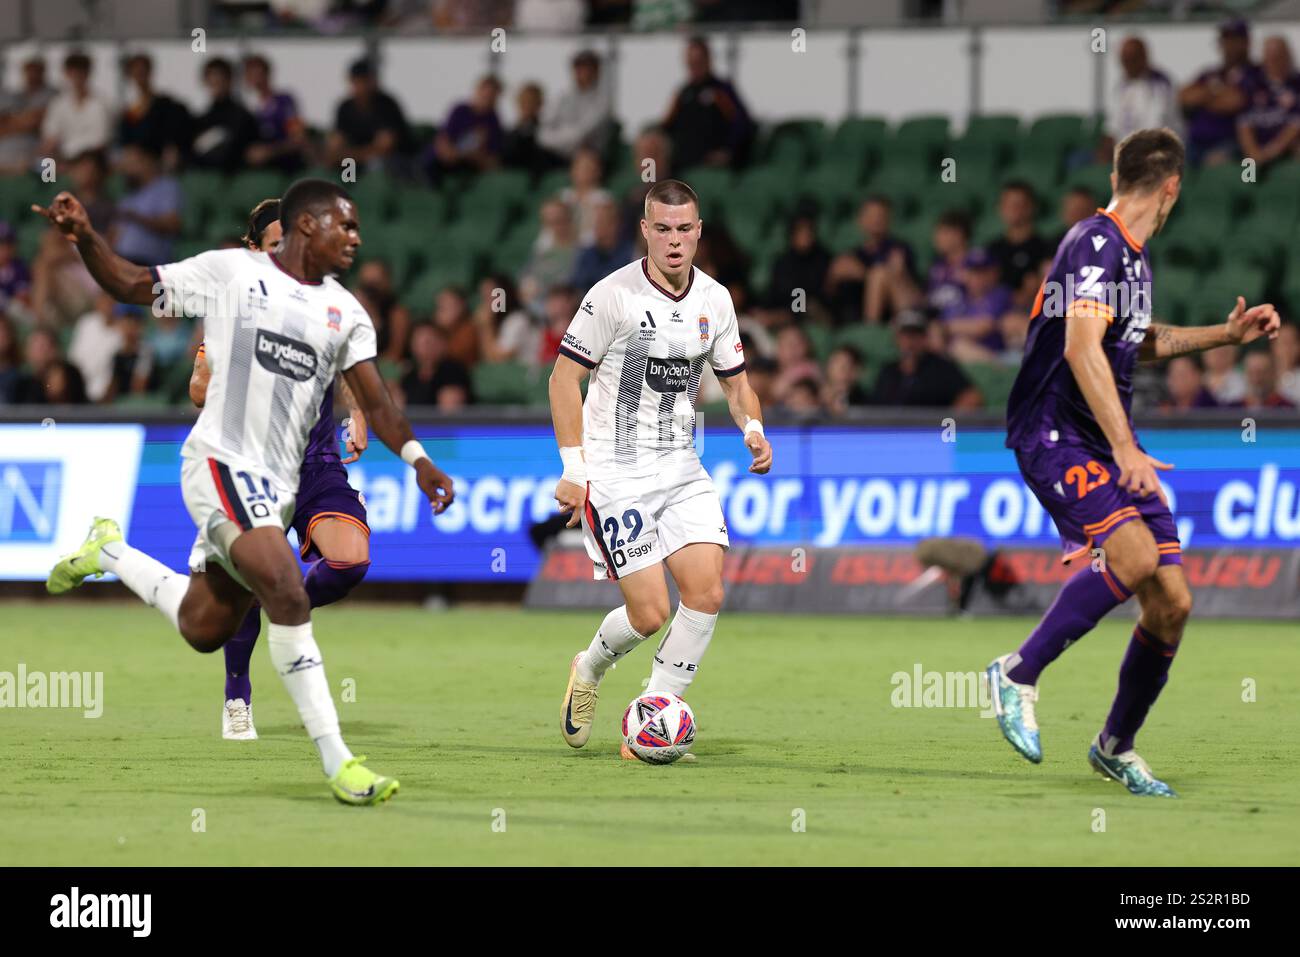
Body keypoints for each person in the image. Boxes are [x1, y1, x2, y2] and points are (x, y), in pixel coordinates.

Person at [39, 179, 456, 805]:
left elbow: (378, 402)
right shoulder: (231, 273)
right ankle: (339, 763)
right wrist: (87, 238)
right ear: (306, 226)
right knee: (286, 588)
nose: (357, 238)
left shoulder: (346, 312)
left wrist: (420, 461)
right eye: (345, 225)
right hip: (218, 463)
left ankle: (109, 552)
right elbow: (131, 284)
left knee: (203, 626)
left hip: (280, 486)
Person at [992, 127, 1281, 797]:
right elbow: (1081, 347)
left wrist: (1223, 335)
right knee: (1132, 557)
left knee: (1173, 602)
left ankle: (1115, 743)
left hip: (1103, 437)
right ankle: (1015, 672)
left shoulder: (1132, 259)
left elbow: (1134, 343)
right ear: (1172, 185)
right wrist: (1126, 449)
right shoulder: (1095, 242)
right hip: (1056, 431)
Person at [551, 178, 771, 757]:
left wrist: (752, 428)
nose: (674, 241)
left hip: (681, 466)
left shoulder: (715, 300)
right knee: (649, 614)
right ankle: (591, 667)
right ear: (645, 231)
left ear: (699, 232)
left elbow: (738, 383)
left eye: (685, 230)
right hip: (615, 472)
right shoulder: (611, 296)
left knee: (707, 593)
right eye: (663, 230)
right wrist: (574, 469)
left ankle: (653, 717)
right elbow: (563, 379)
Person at [187, 198, 374, 741]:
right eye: (275, 246)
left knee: (352, 560)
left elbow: (342, 368)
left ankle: (281, 600)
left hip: (315, 464)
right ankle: (237, 697)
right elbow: (199, 390)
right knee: (245, 573)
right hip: (250, 467)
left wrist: (356, 411)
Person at [661, 36, 755, 170]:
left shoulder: (721, 90)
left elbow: (741, 123)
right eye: (690, 63)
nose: (694, 67)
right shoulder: (683, 92)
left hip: (709, 162)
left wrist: (728, 151)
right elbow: (666, 126)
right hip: (681, 161)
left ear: (708, 60)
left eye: (698, 62)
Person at [1179, 19, 1260, 165]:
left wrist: (1205, 98)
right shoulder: (1211, 73)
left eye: (1234, 40)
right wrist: (1216, 93)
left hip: (1231, 144)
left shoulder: (1255, 73)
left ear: (1246, 42)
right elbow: (1184, 96)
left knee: (1217, 166)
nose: (1229, 46)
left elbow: (1235, 101)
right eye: (1225, 40)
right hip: (1195, 142)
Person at [870, 310, 982, 408]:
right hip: (890, 430)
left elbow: (971, 396)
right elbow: (874, 408)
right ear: (897, 338)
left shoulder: (941, 368)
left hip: (930, 430)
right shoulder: (888, 371)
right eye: (905, 335)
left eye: (916, 335)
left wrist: (947, 424)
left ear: (925, 338)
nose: (910, 342)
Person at [1100, 37, 1180, 160]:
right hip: (1124, 151)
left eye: (1131, 59)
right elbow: (1112, 127)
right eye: (1124, 60)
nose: (1127, 64)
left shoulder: (1159, 84)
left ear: (1143, 57)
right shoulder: (1122, 86)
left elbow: (1155, 129)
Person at [329, 58, 412, 173]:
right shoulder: (345, 107)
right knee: (340, 169)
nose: (361, 86)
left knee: (376, 164)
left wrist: (350, 155)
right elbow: (336, 142)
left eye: (364, 81)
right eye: (357, 81)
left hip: (392, 162)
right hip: (355, 161)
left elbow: (384, 148)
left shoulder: (387, 105)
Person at [111, 143, 182, 266]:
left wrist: (137, 218)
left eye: (132, 163)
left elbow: (172, 224)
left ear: (147, 161)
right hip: (122, 261)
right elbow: (115, 234)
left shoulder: (166, 186)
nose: (127, 168)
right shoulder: (128, 194)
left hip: (149, 263)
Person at [117, 53, 193, 169]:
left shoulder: (166, 104)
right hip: (138, 163)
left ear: (150, 72)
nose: (140, 77)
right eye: (136, 73)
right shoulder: (130, 112)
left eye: (143, 72)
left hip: (159, 161)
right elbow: (126, 143)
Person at [1236, 36, 1300, 169]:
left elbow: (1295, 125)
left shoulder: (1296, 84)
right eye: (1270, 56)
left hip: (1285, 148)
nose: (1274, 61)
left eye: (1279, 56)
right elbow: (1244, 122)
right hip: (1254, 148)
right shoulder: (1252, 83)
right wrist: (1253, 153)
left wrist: (1271, 152)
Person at [537, 50, 613, 160]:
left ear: (596, 72)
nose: (582, 73)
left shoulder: (603, 101)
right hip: (557, 152)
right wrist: (564, 136)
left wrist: (560, 131)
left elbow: (580, 134)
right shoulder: (563, 97)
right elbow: (542, 134)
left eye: (586, 69)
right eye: (578, 68)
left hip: (590, 156)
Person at [39, 51, 112, 162]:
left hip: (93, 160)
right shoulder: (57, 104)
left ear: (88, 73)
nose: (77, 77)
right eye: (73, 72)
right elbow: (50, 138)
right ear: (66, 74)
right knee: (45, 166)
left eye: (81, 72)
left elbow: (101, 142)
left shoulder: (102, 103)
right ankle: (48, 179)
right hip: (63, 160)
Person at [242, 54, 309, 172]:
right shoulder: (246, 107)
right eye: (251, 75)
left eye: (259, 74)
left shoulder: (284, 102)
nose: (256, 79)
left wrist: (270, 151)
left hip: (283, 165)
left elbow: (298, 138)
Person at [190, 58, 258, 173]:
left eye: (221, 80)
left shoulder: (242, 118)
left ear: (230, 80)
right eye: (213, 81)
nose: (217, 84)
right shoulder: (200, 121)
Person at [988, 181, 1053, 297]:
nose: (1014, 210)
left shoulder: (1045, 247)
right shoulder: (993, 248)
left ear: (1031, 207)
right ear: (1000, 208)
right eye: (1008, 204)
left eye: (1019, 204)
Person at [431, 75, 504, 177]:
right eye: (484, 94)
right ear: (477, 91)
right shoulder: (460, 110)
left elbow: (493, 159)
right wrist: (449, 152)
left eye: (491, 96)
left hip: (468, 165)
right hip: (444, 158)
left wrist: (468, 155)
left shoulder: (494, 122)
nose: (487, 98)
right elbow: (442, 138)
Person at [0, 56, 56, 174]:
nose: (33, 74)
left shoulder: (52, 94)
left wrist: (12, 121)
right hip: (8, 160)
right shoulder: (13, 95)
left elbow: (38, 121)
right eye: (30, 69)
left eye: (37, 70)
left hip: (40, 157)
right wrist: (26, 120)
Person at [570, 196, 633, 292]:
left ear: (617, 224)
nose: (598, 226)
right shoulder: (586, 254)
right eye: (596, 222)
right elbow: (577, 287)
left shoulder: (631, 252)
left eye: (604, 222)